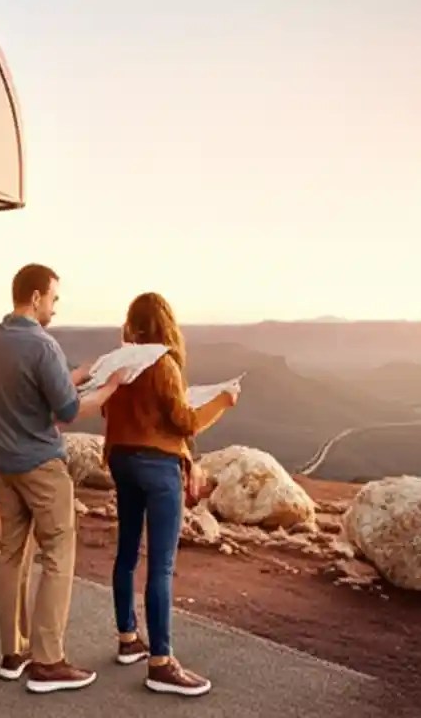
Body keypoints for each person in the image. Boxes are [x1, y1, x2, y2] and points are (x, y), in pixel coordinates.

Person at [0, 263, 126, 694]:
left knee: (11, 554)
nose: (55, 308)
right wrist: (112, 385)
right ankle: (48, 661)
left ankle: (14, 654)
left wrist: (78, 372)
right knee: (59, 551)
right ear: (38, 296)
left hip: (3, 460)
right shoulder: (43, 345)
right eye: (54, 299)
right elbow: (67, 411)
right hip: (41, 465)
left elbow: (5, 393)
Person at [101, 291, 238, 697]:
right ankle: (161, 663)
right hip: (157, 467)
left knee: (126, 553)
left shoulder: (119, 361)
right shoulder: (163, 363)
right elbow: (185, 422)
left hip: (122, 461)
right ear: (166, 324)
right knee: (160, 565)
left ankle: (128, 639)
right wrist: (223, 403)